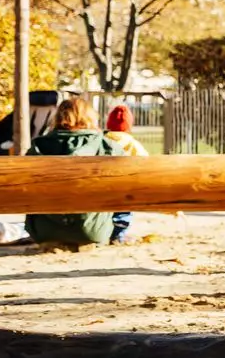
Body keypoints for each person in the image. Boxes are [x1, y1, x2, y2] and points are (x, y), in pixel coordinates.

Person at [25, 95, 122, 246]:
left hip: (44, 230)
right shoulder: (107, 146)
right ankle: (118, 235)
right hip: (94, 231)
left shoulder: (39, 146)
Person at [101, 104, 148, 243]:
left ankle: (105, 233)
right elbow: (145, 161)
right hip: (124, 188)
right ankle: (118, 235)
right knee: (123, 211)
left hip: (103, 185)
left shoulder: (103, 139)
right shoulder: (132, 143)